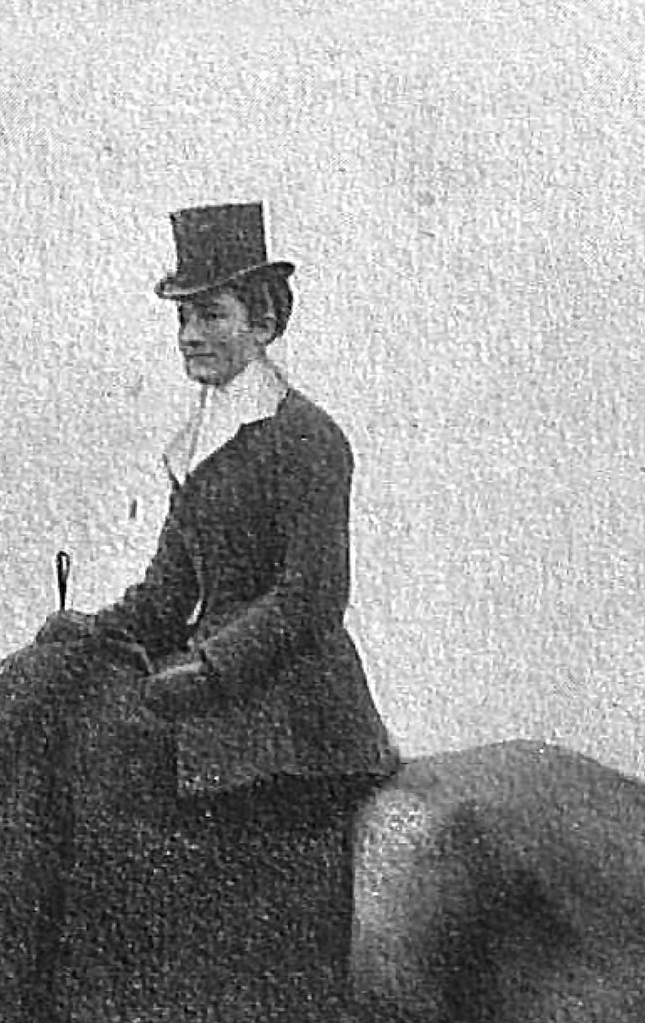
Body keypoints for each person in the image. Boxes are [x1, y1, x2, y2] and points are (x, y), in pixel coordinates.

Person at [37, 201, 397, 814]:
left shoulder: (304, 435)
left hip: (291, 710)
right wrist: (94, 633)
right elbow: (169, 593)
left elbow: (312, 595)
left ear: (263, 324)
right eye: (183, 318)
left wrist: (212, 669)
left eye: (211, 315)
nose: (190, 336)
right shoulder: (200, 439)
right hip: (217, 690)